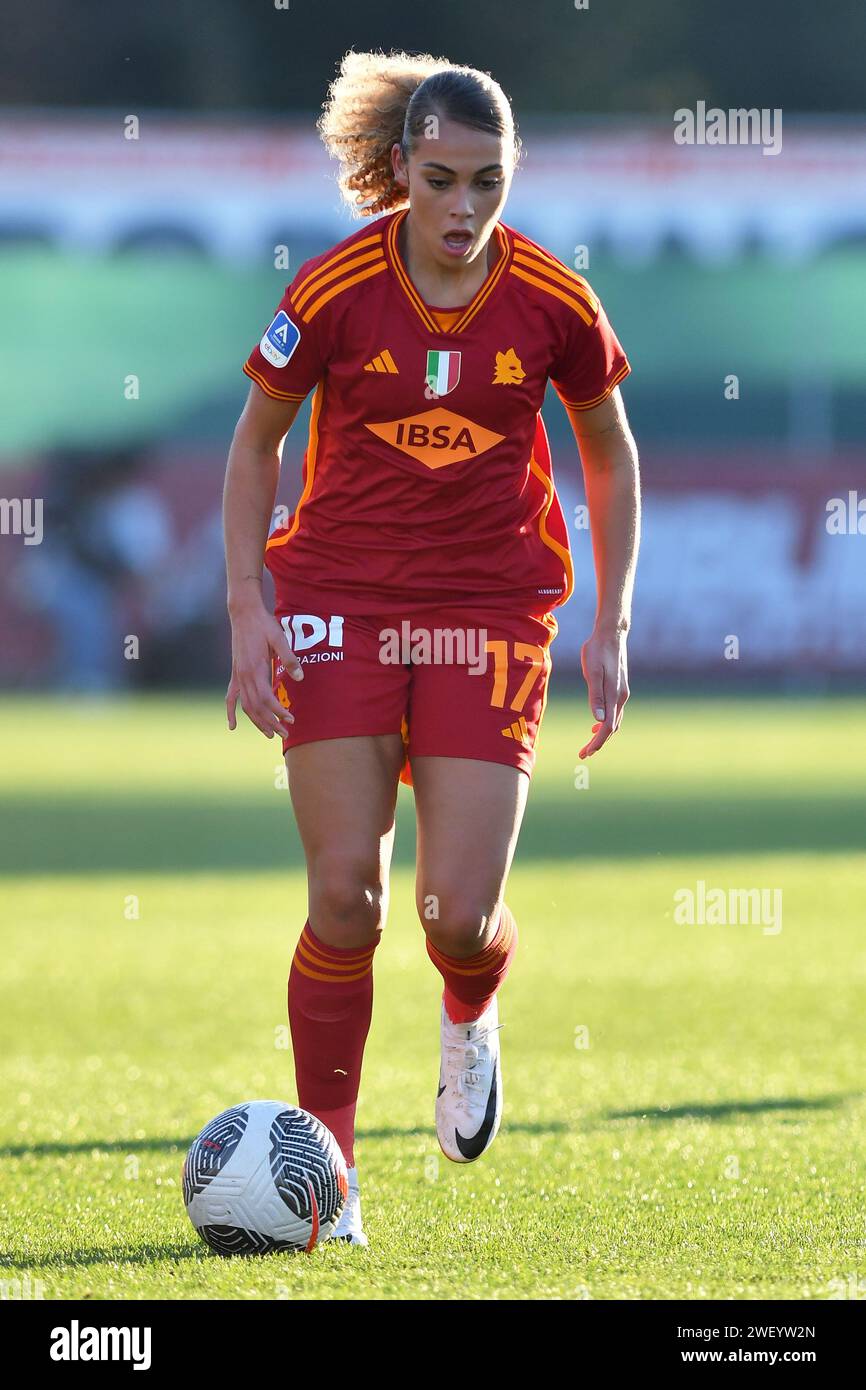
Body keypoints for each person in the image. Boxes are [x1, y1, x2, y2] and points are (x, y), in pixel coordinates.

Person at [223, 50, 640, 1246]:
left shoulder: (553, 301)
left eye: (489, 183)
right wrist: (250, 607)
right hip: (339, 600)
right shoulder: (334, 289)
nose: (464, 210)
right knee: (344, 896)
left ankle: (470, 1007)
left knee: (455, 910)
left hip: (488, 607)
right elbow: (255, 448)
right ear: (401, 169)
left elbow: (606, 453)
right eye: (443, 178)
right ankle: (325, 1179)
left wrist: (608, 621)